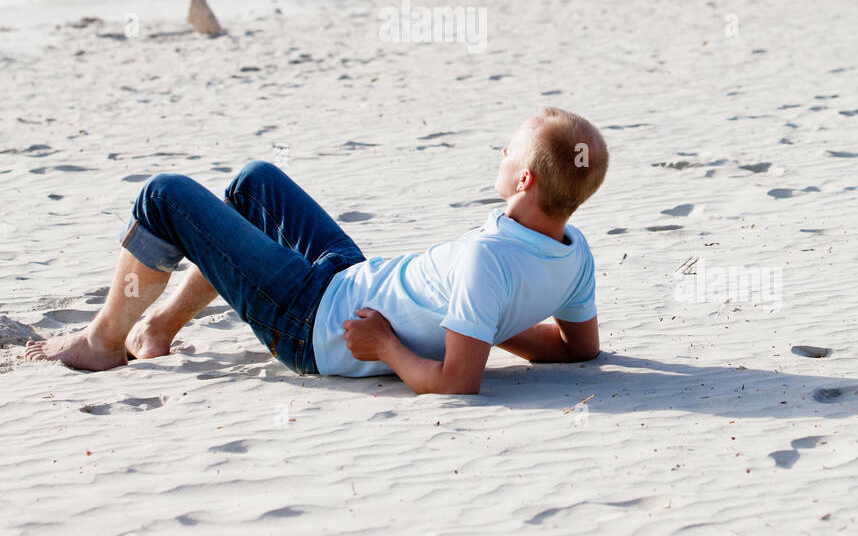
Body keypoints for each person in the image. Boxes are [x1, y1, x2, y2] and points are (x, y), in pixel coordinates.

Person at [25, 106, 608, 395]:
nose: (500, 151)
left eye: (508, 150)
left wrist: (387, 347)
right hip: (349, 278)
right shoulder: (574, 252)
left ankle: (103, 343)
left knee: (164, 195)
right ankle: (158, 330)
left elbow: (458, 384)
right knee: (255, 181)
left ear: (525, 180)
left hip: (315, 323)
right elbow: (578, 350)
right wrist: (480, 320)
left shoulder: (490, 260)